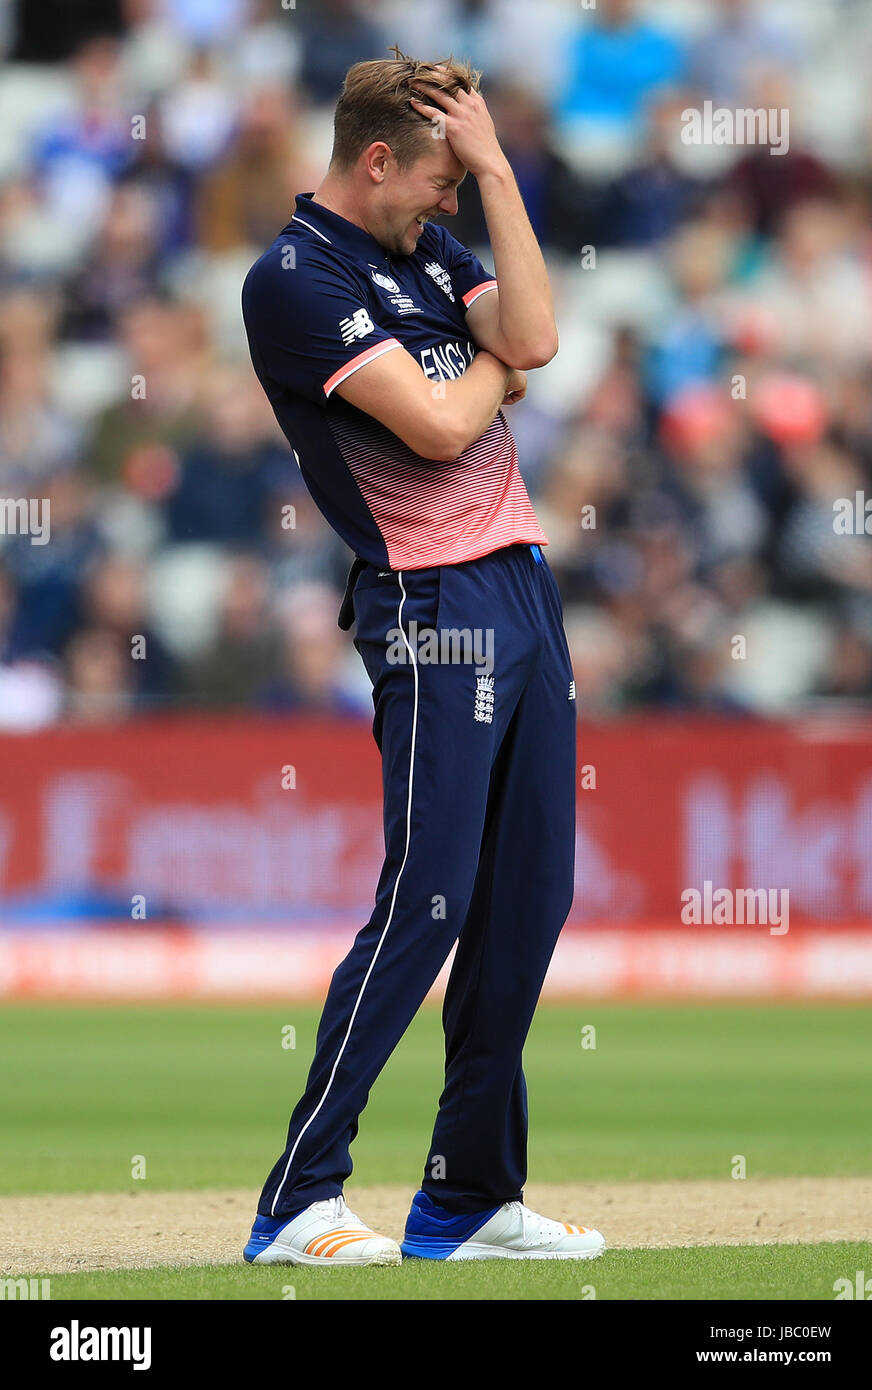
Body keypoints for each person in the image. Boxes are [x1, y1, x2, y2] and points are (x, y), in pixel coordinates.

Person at [240, 47, 604, 1266]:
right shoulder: (294, 278)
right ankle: (297, 1197)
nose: (455, 205)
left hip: (521, 581)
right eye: (446, 179)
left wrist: (498, 170)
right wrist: (502, 367)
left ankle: (465, 1195)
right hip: (429, 599)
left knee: (526, 901)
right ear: (378, 157)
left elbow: (539, 336)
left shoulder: (427, 252)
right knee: (427, 896)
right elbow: (448, 424)